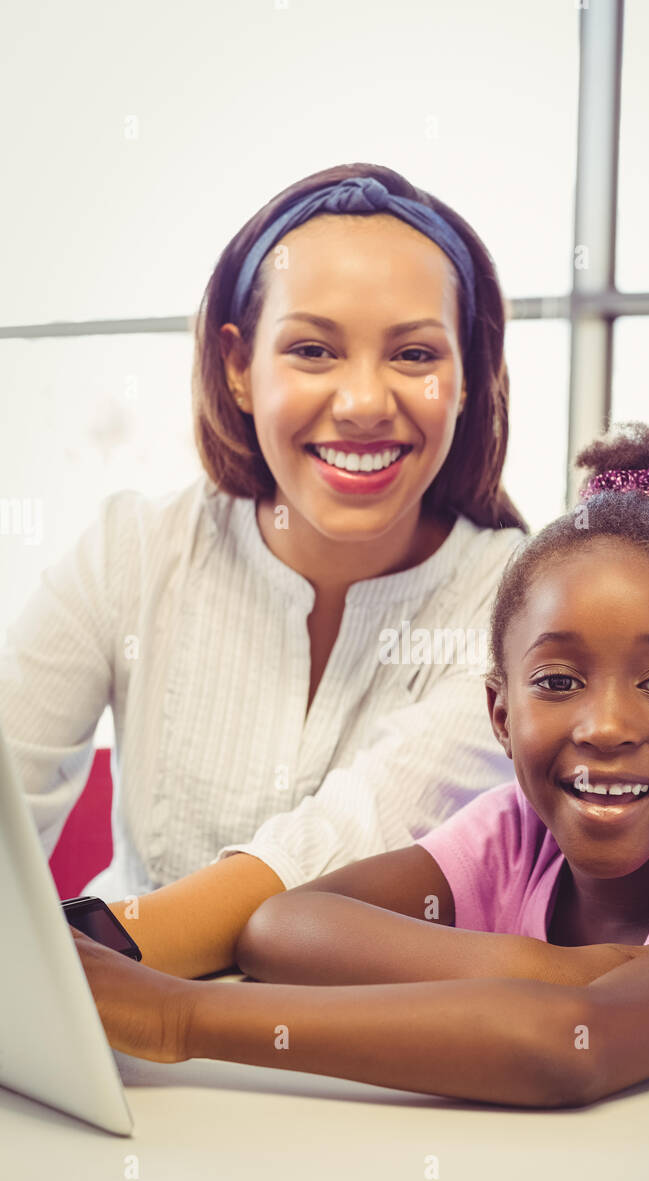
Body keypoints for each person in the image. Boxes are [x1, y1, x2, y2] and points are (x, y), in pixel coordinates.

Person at [71, 423, 649, 1106]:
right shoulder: (512, 837)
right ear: (501, 716)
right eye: (558, 682)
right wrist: (562, 970)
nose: (607, 727)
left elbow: (563, 1046)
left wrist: (178, 1017)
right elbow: (283, 927)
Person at [0, 163, 529, 979]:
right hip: (109, 1033)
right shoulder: (131, 550)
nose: (363, 402)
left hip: (376, 1056)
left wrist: (67, 965)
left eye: (414, 353)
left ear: (465, 378)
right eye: (313, 350)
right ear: (239, 366)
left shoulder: (523, 604)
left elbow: (336, 854)